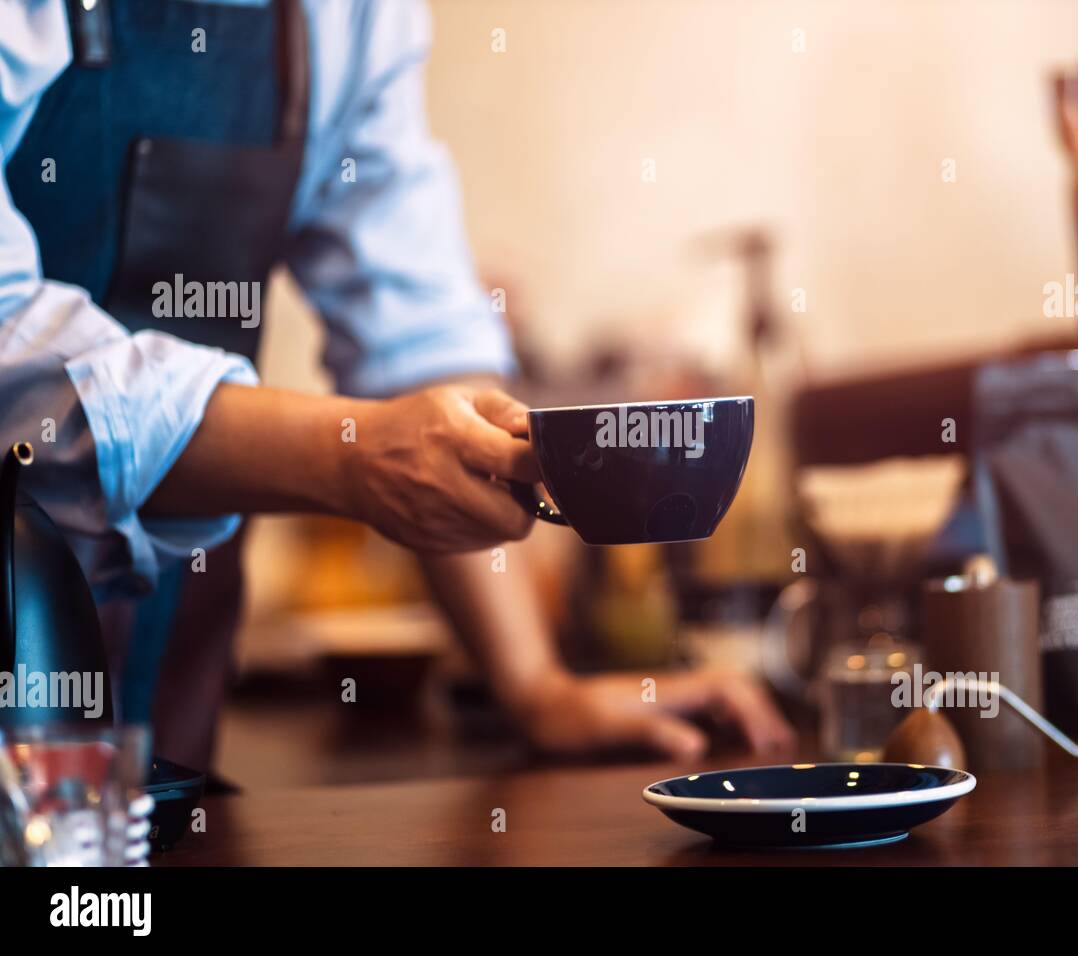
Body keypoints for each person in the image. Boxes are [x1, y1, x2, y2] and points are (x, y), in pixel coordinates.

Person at [0, 0, 794, 770]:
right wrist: (345, 460)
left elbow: (418, 336)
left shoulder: (351, 15)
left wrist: (536, 687)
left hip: (167, 665)